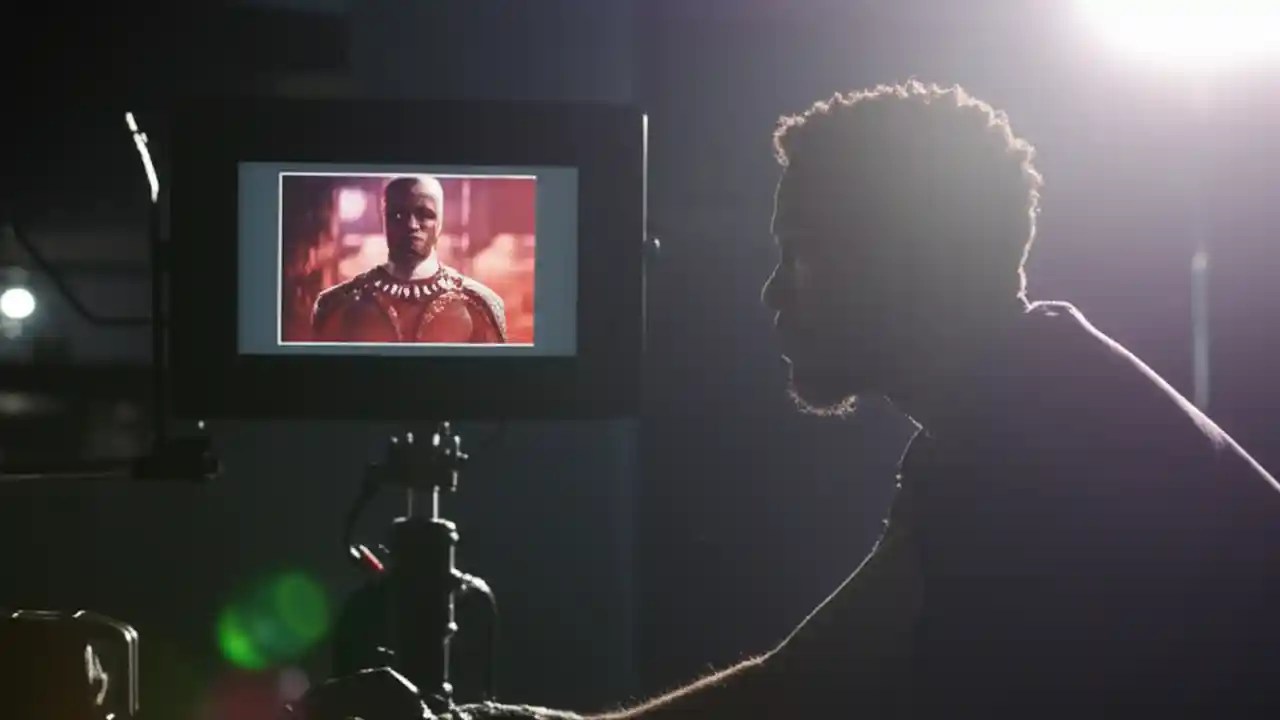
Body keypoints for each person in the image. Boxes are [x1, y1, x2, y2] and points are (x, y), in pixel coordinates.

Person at [445, 81, 1280, 718]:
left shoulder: (1028, 433)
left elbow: (800, 697)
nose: (773, 293)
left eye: (801, 251)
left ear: (908, 259)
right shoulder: (1030, 395)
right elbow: (805, 680)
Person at [311, 175, 507, 344]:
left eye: (424, 214)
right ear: (383, 221)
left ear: (439, 222)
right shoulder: (338, 305)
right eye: (398, 215)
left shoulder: (478, 307)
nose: (412, 225)